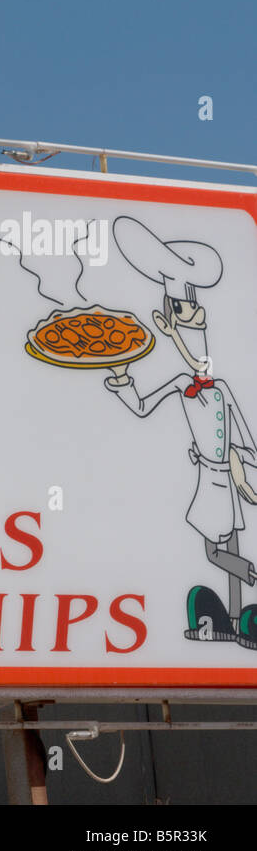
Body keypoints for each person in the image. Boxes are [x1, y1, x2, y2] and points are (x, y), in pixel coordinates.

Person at [104, 217, 257, 645]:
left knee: (228, 542)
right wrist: (121, 377)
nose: (195, 325)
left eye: (197, 317)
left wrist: (246, 468)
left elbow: (243, 434)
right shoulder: (181, 385)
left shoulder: (220, 385)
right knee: (216, 546)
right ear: (166, 320)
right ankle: (239, 592)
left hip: (229, 473)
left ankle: (238, 611)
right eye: (183, 318)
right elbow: (141, 406)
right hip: (209, 477)